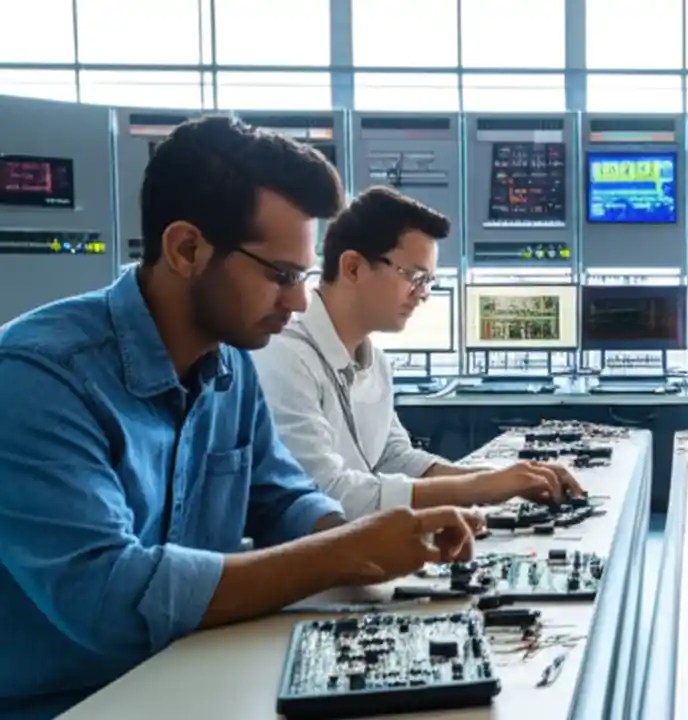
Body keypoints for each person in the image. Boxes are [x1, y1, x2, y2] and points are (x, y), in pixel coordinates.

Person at [0, 116, 482, 720]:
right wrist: (346, 551)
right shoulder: (37, 377)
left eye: (303, 277)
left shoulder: (230, 366)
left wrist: (374, 546)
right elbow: (109, 597)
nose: (300, 301)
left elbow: (282, 500)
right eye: (279, 275)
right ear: (186, 249)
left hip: (196, 675)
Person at [251, 186, 583, 520]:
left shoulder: (375, 362)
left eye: (428, 281)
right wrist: (480, 487)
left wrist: (508, 478)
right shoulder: (284, 358)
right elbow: (325, 494)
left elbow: (393, 457)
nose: (422, 294)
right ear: (353, 267)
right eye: (414, 276)